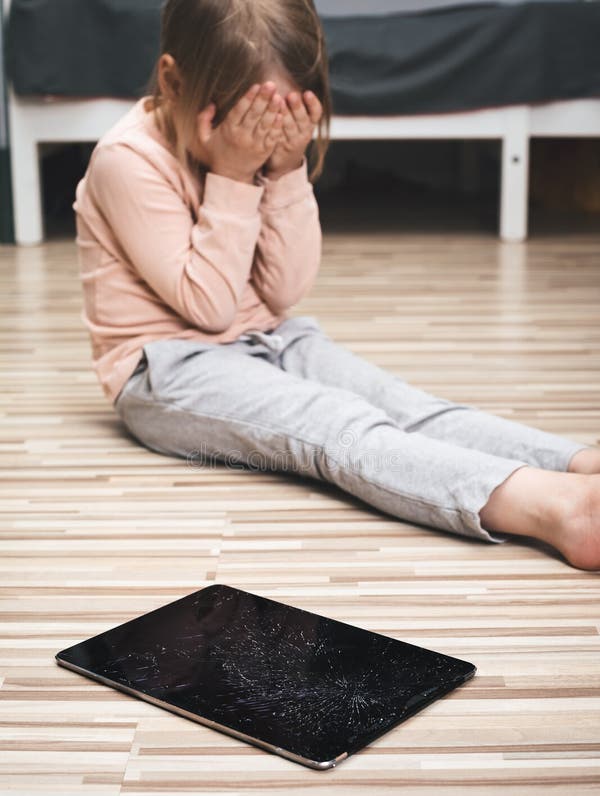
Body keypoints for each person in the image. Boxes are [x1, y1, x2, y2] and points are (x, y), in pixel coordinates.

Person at [72, 0, 600, 571]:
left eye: (280, 119)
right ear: (174, 81)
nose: (259, 138)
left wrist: (284, 169)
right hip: (168, 365)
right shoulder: (126, 160)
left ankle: (576, 464)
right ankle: (557, 509)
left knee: (401, 403)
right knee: (335, 426)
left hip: (272, 336)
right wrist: (232, 175)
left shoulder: (261, 156)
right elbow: (210, 307)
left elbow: (284, 291)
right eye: (243, 120)